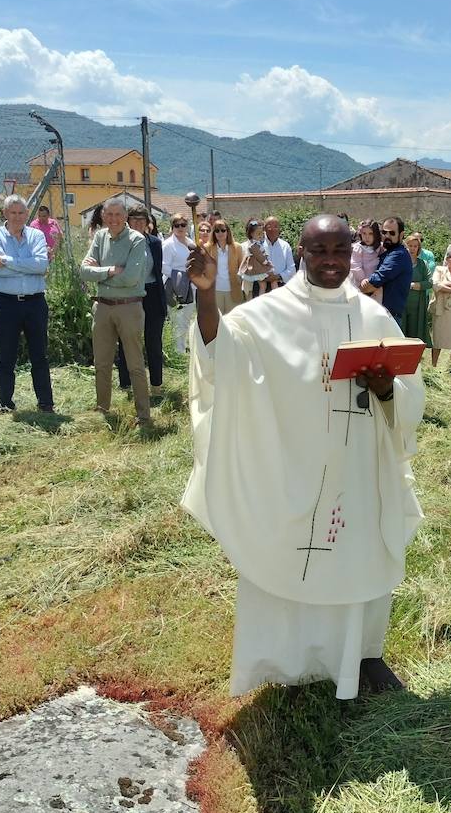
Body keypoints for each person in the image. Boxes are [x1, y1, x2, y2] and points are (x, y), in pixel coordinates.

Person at [181, 213, 424, 698]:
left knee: (359, 550)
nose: (330, 262)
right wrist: (207, 293)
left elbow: (409, 390)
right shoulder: (266, 314)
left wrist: (386, 388)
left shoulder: (374, 315)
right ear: (301, 254)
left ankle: (361, 654)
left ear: (351, 251)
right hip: (293, 466)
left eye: (339, 251)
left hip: (358, 467)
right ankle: (287, 663)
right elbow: (218, 355)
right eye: (319, 252)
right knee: (292, 554)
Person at [80, 198, 152, 426]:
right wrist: (110, 270)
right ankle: (103, 409)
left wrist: (100, 275)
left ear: (125, 217)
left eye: (118, 215)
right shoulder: (100, 237)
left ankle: (143, 415)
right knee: (101, 362)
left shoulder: (136, 240)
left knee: (134, 363)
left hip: (129, 307)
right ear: (103, 216)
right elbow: (84, 271)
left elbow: (132, 277)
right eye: (108, 215)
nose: (113, 219)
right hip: (102, 307)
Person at [0, 194, 54, 413]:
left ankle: (45, 403)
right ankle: (4, 402)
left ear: (27, 214)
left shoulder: (36, 235)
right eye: (12, 212)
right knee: (6, 356)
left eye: (21, 213)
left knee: (40, 355)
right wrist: (26, 264)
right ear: (5, 214)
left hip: (35, 303)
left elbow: (41, 265)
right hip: (7, 303)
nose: (17, 217)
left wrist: (5, 260)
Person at [116, 207, 167, 394]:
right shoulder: (121, 243)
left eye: (141, 220)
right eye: (134, 220)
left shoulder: (154, 242)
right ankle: (126, 384)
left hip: (152, 293)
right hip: (129, 295)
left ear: (148, 223)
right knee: (127, 341)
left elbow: (158, 271)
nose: (138, 223)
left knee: (153, 341)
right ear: (128, 221)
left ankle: (156, 385)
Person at [361, 217, 413, 323]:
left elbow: (373, 283)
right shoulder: (387, 252)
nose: (387, 236)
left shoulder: (398, 255)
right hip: (381, 314)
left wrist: (355, 290)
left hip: (388, 317)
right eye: (384, 232)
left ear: (401, 235)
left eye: (392, 233)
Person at [162, 213, 197, 354]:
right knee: (177, 319)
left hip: (191, 285)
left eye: (183, 225)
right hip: (175, 286)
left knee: (187, 318)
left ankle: (183, 346)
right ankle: (178, 350)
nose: (180, 228)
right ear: (172, 227)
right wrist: (180, 277)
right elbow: (163, 266)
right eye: (177, 225)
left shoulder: (191, 242)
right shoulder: (168, 245)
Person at [399, 231, 432, 348]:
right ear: (405, 246)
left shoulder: (422, 264)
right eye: (410, 246)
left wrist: (412, 285)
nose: (412, 249)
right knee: (401, 333)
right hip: (401, 304)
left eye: (415, 246)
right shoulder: (399, 263)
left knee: (414, 336)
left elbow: (430, 282)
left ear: (419, 248)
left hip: (417, 306)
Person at [205, 219, 245, 315]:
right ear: (213, 233)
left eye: (223, 230)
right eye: (217, 231)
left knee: (232, 320)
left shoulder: (237, 248)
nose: (220, 233)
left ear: (228, 231)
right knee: (218, 321)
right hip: (215, 290)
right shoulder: (207, 247)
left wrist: (240, 280)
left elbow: (242, 267)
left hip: (233, 290)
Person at [238, 219, 277, 298]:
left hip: (260, 266)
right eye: (258, 234)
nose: (261, 235)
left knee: (269, 282)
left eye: (262, 233)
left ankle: (274, 296)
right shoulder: (253, 245)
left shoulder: (259, 243)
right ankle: (264, 297)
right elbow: (260, 256)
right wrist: (266, 262)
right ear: (251, 234)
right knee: (264, 284)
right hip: (258, 267)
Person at [349, 220, 383, 300]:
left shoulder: (379, 247)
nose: (367, 237)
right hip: (361, 283)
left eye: (370, 234)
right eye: (364, 233)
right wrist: (362, 278)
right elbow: (355, 265)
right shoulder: (358, 247)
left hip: (375, 284)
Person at [262, 216, 296, 288]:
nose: (272, 229)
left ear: (279, 229)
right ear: (264, 229)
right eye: (269, 227)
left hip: (281, 285)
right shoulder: (258, 245)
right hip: (261, 285)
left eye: (276, 226)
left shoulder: (285, 246)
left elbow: (292, 269)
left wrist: (277, 277)